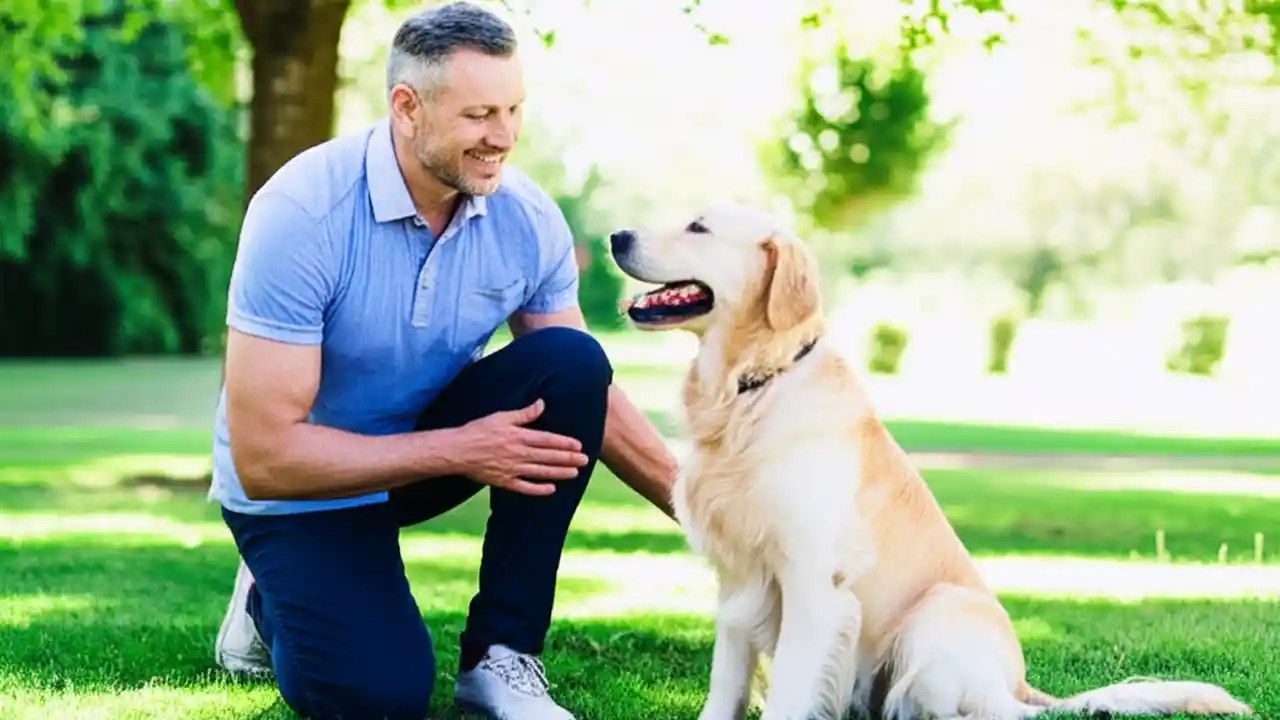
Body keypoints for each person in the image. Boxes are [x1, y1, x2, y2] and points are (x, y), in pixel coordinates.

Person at [207, 3, 678, 718]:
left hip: (422, 455)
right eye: (480, 114)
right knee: (377, 695)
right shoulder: (303, 211)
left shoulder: (527, 219)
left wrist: (710, 511)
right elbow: (266, 457)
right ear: (407, 107)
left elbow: (588, 396)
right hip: (299, 487)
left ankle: (502, 656)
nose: (504, 136)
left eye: (514, 109)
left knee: (572, 363)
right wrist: (463, 447)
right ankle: (267, 594)